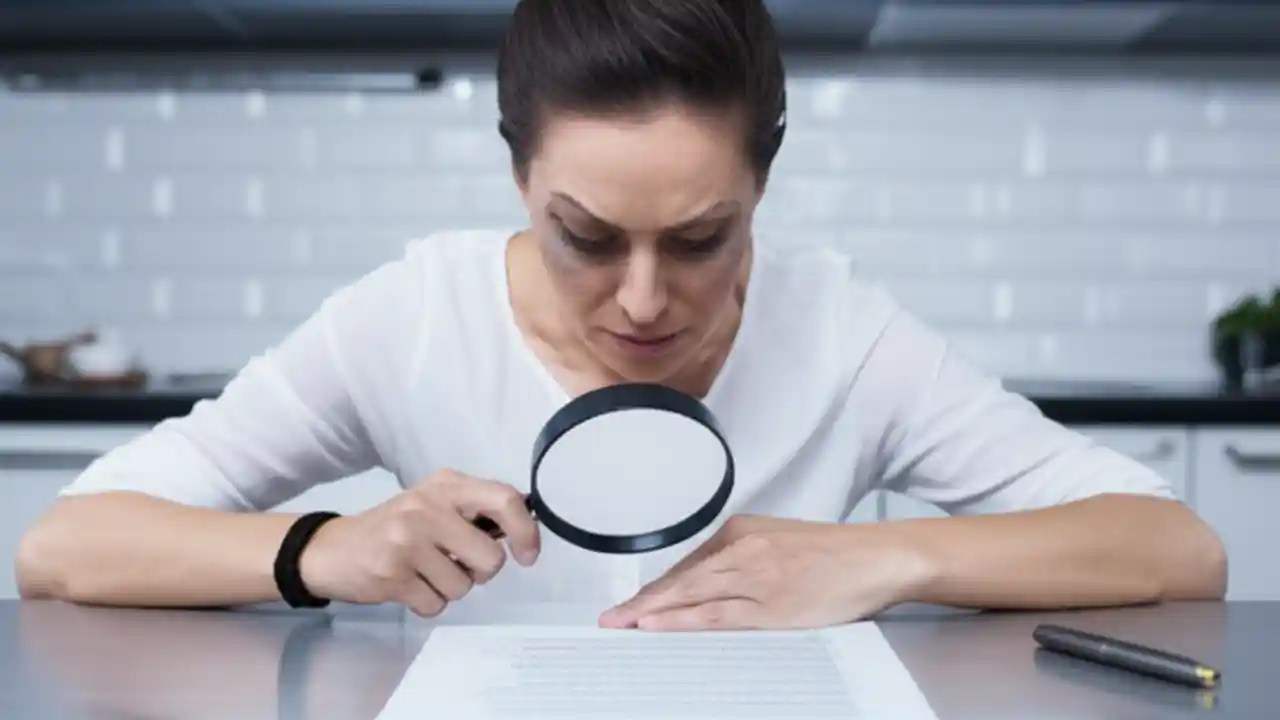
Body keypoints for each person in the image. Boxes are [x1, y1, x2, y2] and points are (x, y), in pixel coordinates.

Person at [16, 0, 1225, 632]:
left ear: (764, 183)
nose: (644, 301)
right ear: (516, 179)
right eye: (584, 237)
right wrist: (319, 550)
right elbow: (62, 549)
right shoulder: (410, 317)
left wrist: (886, 557)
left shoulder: (844, 333)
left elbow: (1178, 550)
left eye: (702, 239)